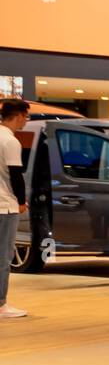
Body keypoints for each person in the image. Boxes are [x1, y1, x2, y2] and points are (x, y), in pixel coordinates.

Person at [0, 99, 30, 319]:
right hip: (5, 205)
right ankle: (1, 303)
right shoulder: (10, 141)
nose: (26, 121)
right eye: (26, 116)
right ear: (18, 115)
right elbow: (16, 175)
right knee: (3, 255)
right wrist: (21, 201)